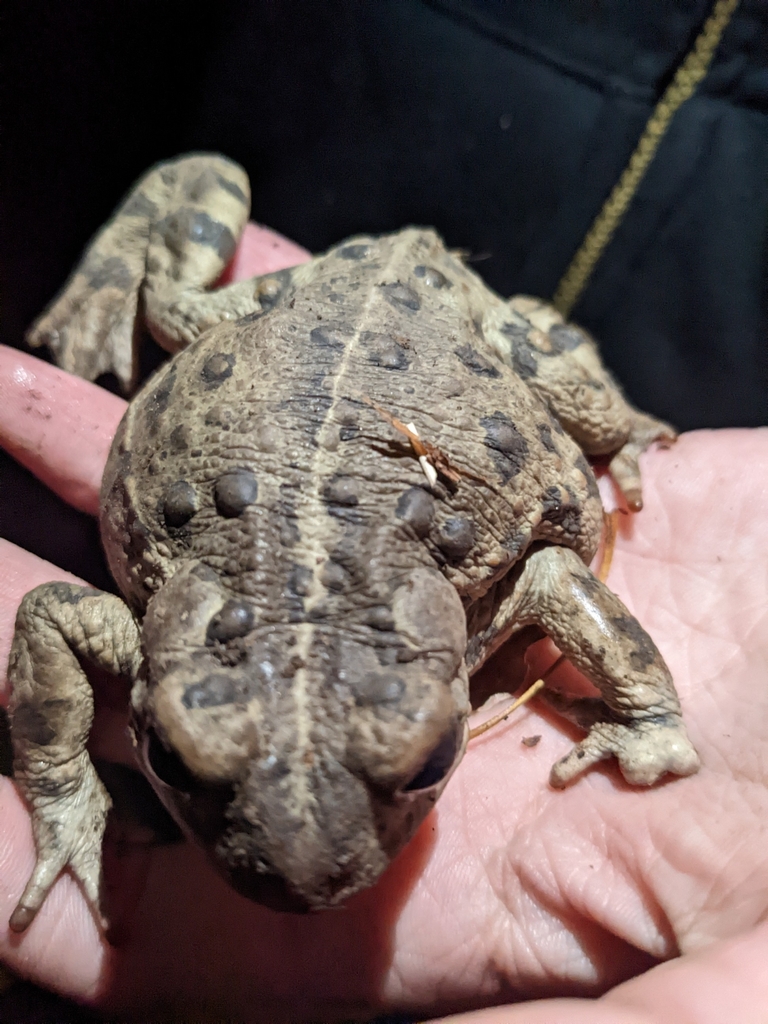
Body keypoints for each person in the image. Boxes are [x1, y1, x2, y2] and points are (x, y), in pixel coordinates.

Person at [1, 1, 766, 1020]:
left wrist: (652, 709)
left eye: (416, 760)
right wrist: (57, 779)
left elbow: (543, 574)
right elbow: (52, 616)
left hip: (439, 326)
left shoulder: (478, 595)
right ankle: (141, 230)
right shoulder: (143, 642)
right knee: (168, 308)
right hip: (309, 316)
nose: (293, 849)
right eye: (188, 756)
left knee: (595, 411)